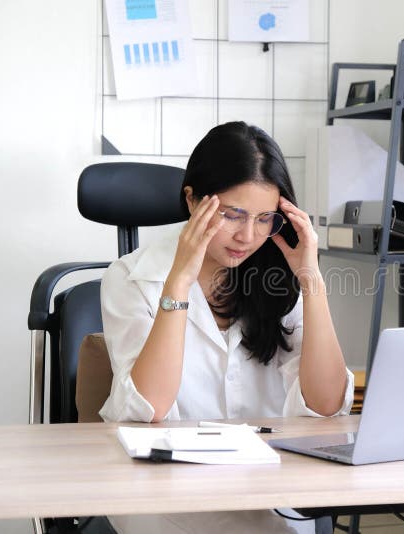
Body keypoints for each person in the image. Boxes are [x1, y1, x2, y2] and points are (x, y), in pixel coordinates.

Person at [99, 121, 354, 533]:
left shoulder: (278, 278)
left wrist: (311, 280)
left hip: (271, 499)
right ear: (192, 199)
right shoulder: (131, 278)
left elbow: (326, 405)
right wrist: (179, 280)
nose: (247, 236)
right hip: (167, 501)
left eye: (264, 219)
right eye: (233, 215)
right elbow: (149, 408)